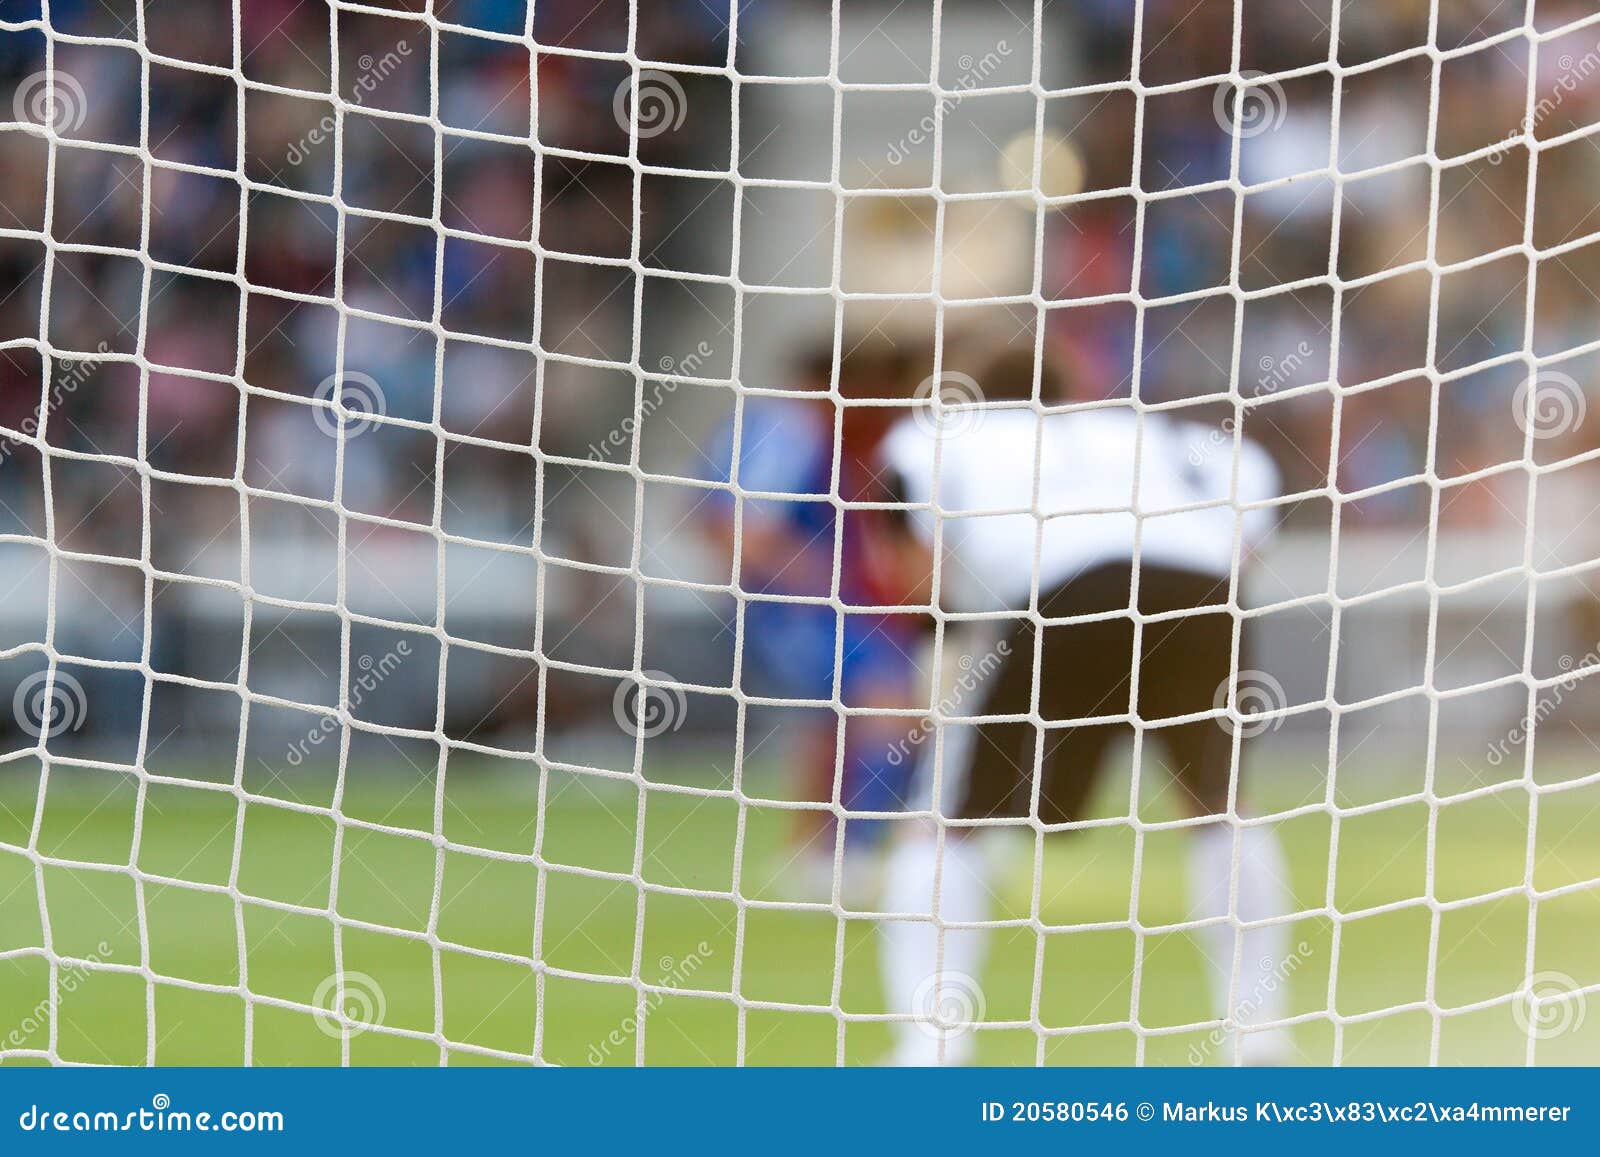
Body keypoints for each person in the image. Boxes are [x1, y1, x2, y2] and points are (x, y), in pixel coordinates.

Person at [871, 349, 1294, 1065]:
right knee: (1219, 805)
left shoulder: (933, 432)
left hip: (1062, 593)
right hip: (1204, 593)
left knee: (947, 822)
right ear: (1075, 389)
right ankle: (1260, 1034)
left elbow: (914, 561)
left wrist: (939, 636)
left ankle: (930, 1043)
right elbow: (1252, 492)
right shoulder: (1142, 430)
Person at [699, 342, 922, 903]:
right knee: (887, 702)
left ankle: (812, 850)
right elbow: (731, 528)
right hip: (790, 609)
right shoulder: (788, 430)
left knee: (837, 722)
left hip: (825, 606)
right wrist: (816, 577)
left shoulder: (820, 436)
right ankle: (851, 852)